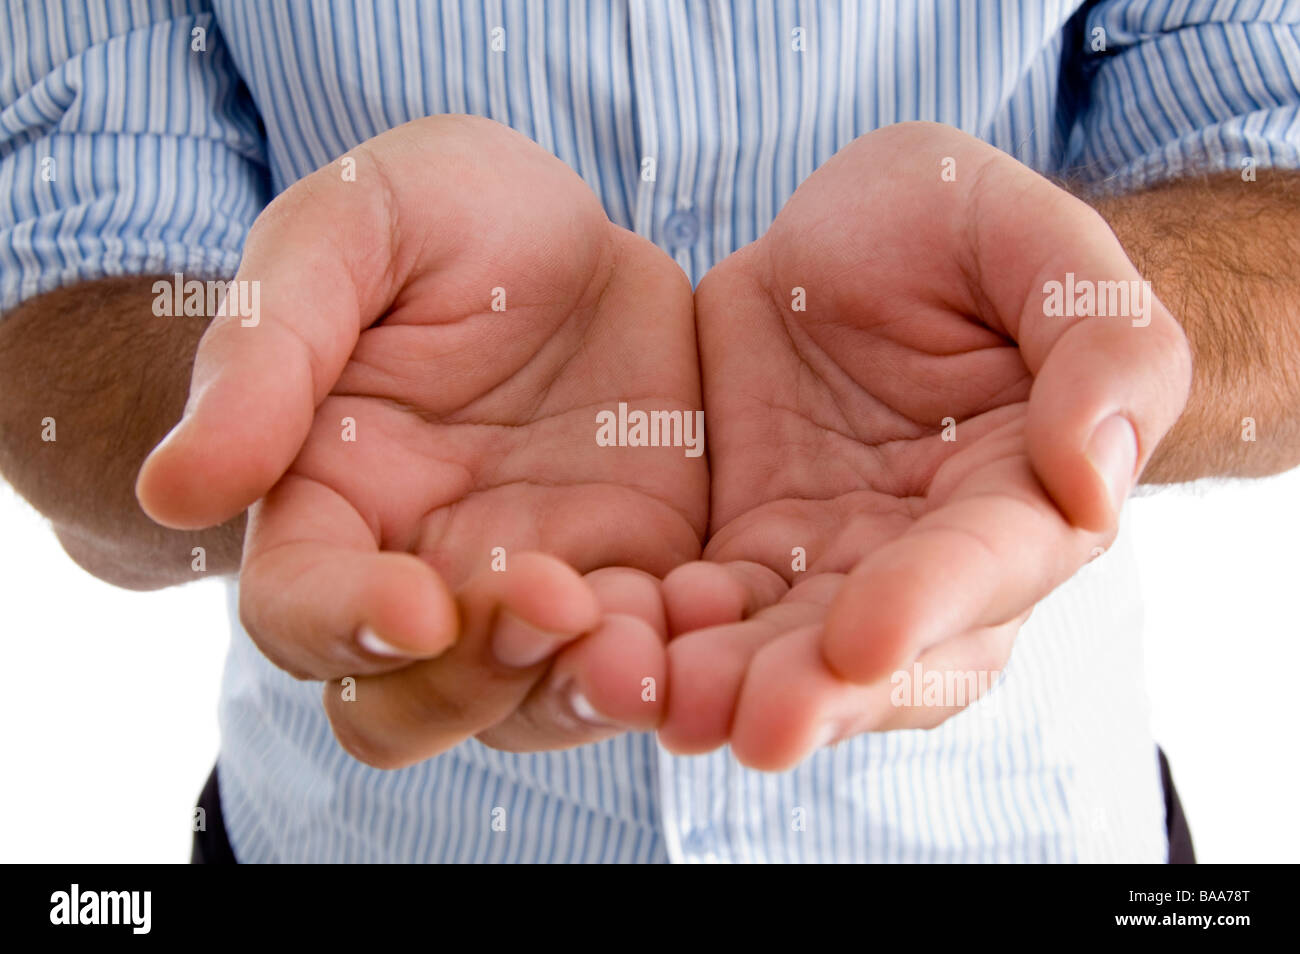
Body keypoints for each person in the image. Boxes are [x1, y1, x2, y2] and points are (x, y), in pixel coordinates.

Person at [1, 1, 1296, 864]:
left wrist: (1058, 316)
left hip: (1036, 823)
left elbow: (1272, 155)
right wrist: (302, 383)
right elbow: (61, 257)